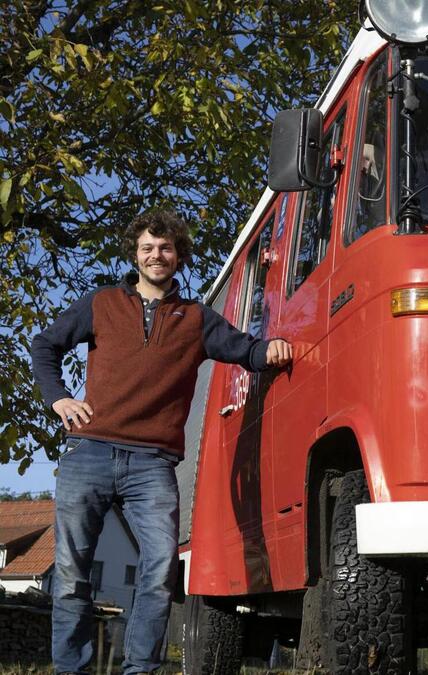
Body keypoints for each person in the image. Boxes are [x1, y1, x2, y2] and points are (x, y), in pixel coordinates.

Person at [30, 210, 293, 674]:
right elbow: (45, 346)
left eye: (166, 248)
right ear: (135, 254)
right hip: (88, 451)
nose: (157, 255)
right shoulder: (102, 303)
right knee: (71, 574)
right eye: (148, 248)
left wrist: (270, 349)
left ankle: (140, 670)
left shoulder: (196, 319)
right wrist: (58, 400)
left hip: (152, 465)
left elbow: (245, 349)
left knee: (158, 574)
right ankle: (71, 669)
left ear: (179, 256)